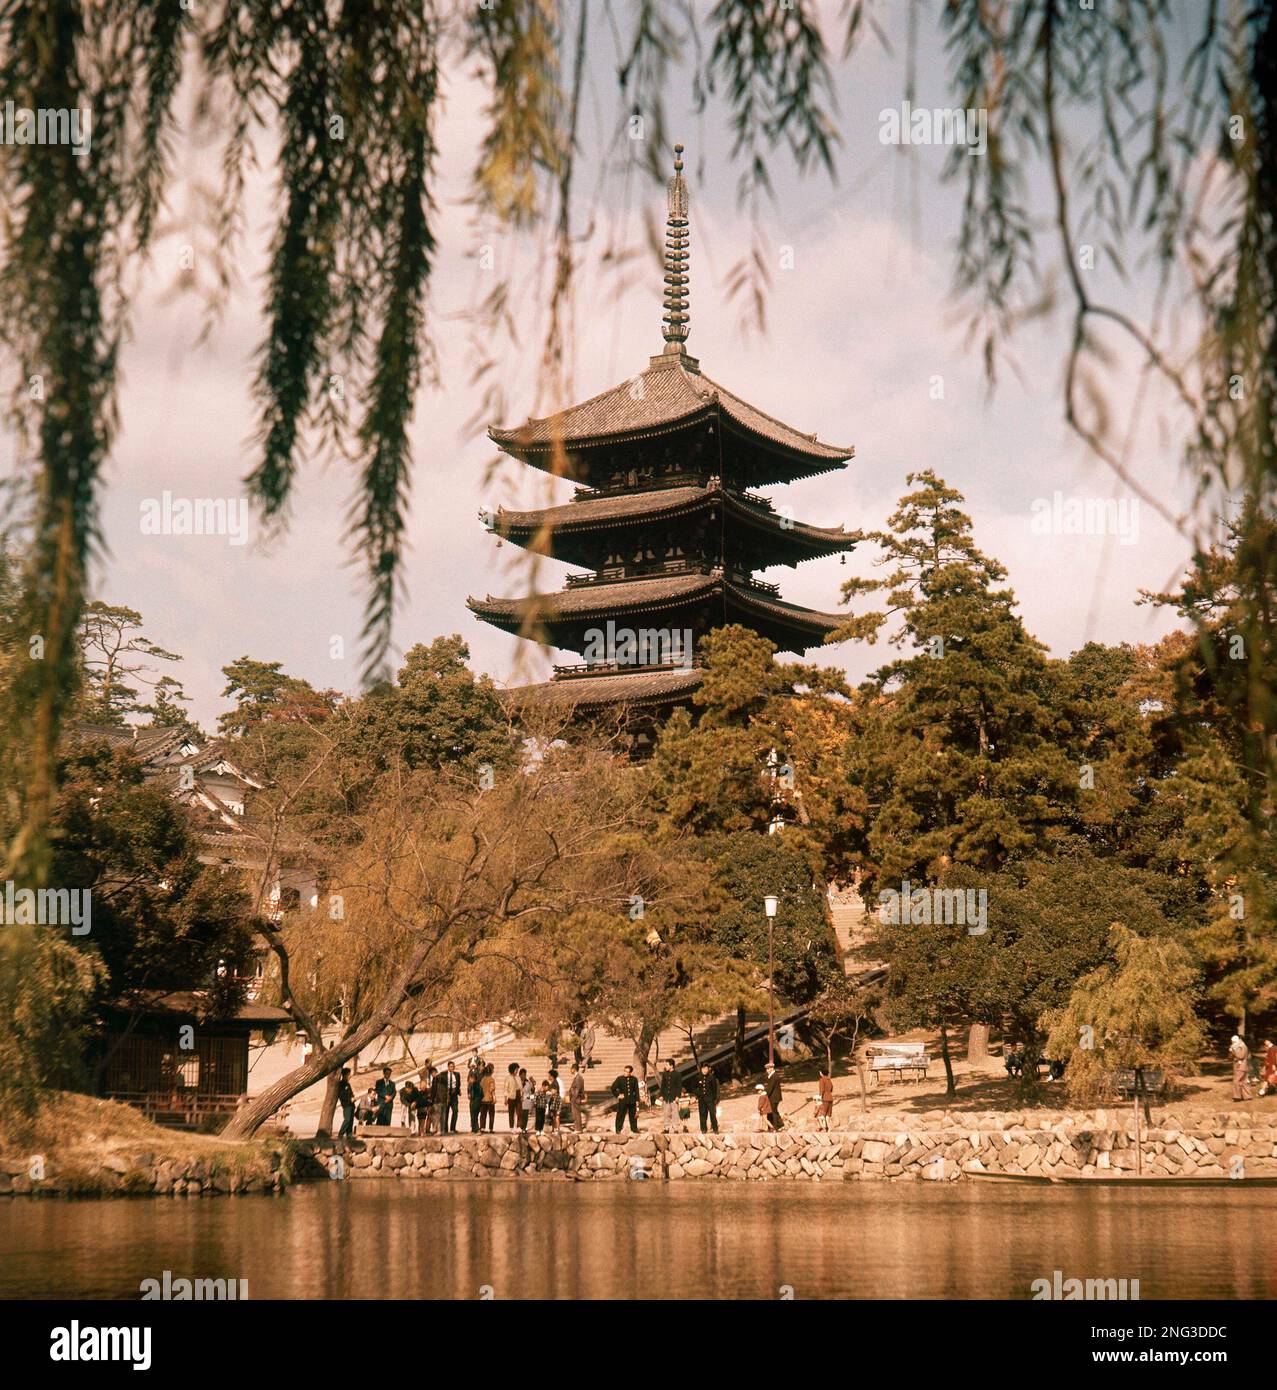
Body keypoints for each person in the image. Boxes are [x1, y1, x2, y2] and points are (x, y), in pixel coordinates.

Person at [689, 1063, 719, 1134]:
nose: (705, 1070)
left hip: (710, 1099)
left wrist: (714, 1098)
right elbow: (693, 1087)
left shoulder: (712, 1078)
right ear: (701, 1069)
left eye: (706, 1069)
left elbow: (714, 1089)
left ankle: (715, 1129)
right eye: (703, 1069)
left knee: (712, 1114)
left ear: (708, 1069)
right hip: (701, 1099)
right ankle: (703, 1129)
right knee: (702, 1114)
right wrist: (698, 1093)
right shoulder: (698, 1077)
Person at [611, 1065, 641, 1133]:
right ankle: (618, 1129)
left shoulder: (634, 1079)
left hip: (632, 1100)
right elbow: (613, 1088)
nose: (625, 1072)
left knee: (633, 1116)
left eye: (627, 1072)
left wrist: (637, 1101)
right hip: (623, 1101)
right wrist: (618, 1095)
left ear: (630, 1073)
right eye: (624, 1071)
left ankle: (634, 1129)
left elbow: (636, 1091)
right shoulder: (619, 1079)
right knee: (620, 1115)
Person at [658, 1059, 683, 1134]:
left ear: (671, 1066)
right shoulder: (665, 1074)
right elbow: (663, 1086)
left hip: (674, 1097)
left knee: (675, 1113)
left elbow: (679, 1086)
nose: (665, 1066)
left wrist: (678, 1096)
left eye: (667, 1065)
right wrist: (661, 1095)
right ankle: (666, 1128)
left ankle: (675, 1128)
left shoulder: (677, 1074)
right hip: (666, 1097)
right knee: (666, 1113)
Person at [1230, 1035, 1252, 1102]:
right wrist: (1232, 1052)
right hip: (1240, 1066)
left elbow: (1241, 1056)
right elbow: (1231, 1057)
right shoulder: (1237, 1046)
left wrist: (1233, 1051)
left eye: (1233, 1042)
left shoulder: (1242, 1046)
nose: (1232, 1043)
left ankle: (1237, 1097)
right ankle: (1247, 1096)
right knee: (1243, 1081)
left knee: (1236, 1081)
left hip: (1241, 1066)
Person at [764, 1062, 784, 1131]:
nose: (767, 1070)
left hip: (774, 1098)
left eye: (768, 1069)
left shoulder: (774, 1076)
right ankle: (779, 1125)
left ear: (772, 1068)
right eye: (766, 1069)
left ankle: (775, 1127)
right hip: (774, 1097)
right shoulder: (772, 1076)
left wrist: (765, 1095)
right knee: (774, 1111)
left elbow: (770, 1088)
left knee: (773, 1112)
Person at [567, 1063, 587, 1132]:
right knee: (575, 1114)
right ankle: (577, 1128)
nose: (570, 1070)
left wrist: (573, 1097)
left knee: (576, 1113)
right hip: (575, 1098)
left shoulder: (578, 1078)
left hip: (576, 1098)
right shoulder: (577, 1077)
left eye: (571, 1069)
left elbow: (577, 1089)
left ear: (574, 1069)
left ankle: (578, 1129)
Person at [337, 1067, 356, 1138]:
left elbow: (351, 1093)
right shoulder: (341, 1084)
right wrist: (349, 1099)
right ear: (344, 1075)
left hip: (351, 1105)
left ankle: (349, 1134)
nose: (350, 1076)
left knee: (351, 1120)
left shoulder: (348, 1084)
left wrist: (353, 1097)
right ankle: (341, 1134)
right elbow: (341, 1095)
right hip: (346, 1105)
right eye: (348, 1074)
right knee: (347, 1119)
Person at [444, 1060, 462, 1133]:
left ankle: (452, 1128)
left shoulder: (457, 1074)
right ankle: (445, 1128)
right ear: (448, 1067)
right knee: (446, 1112)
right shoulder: (444, 1075)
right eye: (451, 1066)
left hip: (454, 1095)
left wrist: (458, 1091)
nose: (452, 1068)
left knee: (455, 1111)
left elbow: (458, 1084)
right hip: (447, 1095)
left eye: (453, 1066)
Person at [432, 1065, 450, 1134]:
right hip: (443, 1099)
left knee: (438, 1115)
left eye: (432, 1074)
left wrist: (432, 1099)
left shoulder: (436, 1078)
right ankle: (442, 1130)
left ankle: (439, 1130)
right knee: (443, 1115)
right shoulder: (444, 1078)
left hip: (438, 1099)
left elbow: (434, 1090)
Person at [504, 1062, 522, 1130]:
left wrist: (522, 1095)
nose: (517, 1071)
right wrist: (505, 1098)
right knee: (511, 1113)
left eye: (517, 1069)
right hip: (511, 1096)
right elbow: (505, 1089)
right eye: (516, 1069)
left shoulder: (518, 1077)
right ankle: (511, 1127)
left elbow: (521, 1087)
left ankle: (519, 1126)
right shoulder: (508, 1078)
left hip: (518, 1095)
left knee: (519, 1112)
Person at [480, 1064, 497, 1131]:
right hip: (490, 1098)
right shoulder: (491, 1079)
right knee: (491, 1114)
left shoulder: (482, 1079)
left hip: (483, 1099)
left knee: (483, 1114)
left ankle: (482, 1127)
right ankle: (491, 1128)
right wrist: (494, 1097)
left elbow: (480, 1088)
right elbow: (492, 1089)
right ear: (491, 1071)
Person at [468, 1067, 484, 1132]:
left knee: (474, 1115)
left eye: (470, 1078)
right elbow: (482, 1094)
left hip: (474, 1101)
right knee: (474, 1115)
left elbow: (472, 1094)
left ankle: (477, 1129)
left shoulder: (473, 1085)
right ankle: (473, 1129)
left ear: (473, 1078)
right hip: (478, 1101)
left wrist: (471, 1097)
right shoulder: (478, 1085)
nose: (469, 1080)